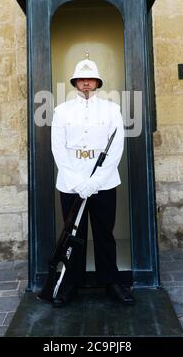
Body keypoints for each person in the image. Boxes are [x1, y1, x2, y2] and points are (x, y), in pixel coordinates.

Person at [51, 56, 135, 307]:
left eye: (90, 79)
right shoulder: (61, 111)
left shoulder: (112, 110)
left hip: (104, 183)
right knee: (73, 236)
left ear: (97, 82)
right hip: (71, 182)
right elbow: (58, 149)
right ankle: (70, 283)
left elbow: (116, 149)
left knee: (104, 234)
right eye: (81, 80)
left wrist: (95, 181)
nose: (86, 83)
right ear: (75, 83)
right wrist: (78, 182)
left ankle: (111, 282)